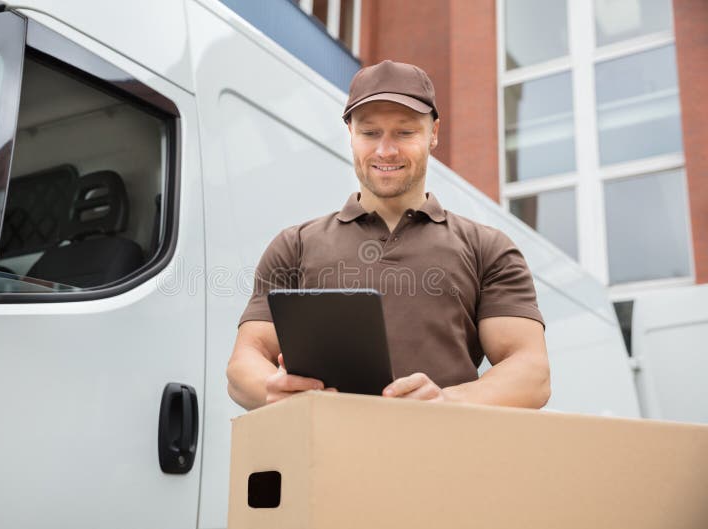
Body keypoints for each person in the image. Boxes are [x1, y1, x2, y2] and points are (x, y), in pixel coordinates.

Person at [227, 60, 549, 411]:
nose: (385, 151)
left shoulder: (488, 248)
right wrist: (274, 389)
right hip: (324, 459)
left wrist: (446, 399)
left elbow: (532, 374)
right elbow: (243, 366)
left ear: (434, 133)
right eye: (370, 133)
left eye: (405, 132)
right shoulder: (295, 245)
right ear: (350, 133)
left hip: (444, 460)